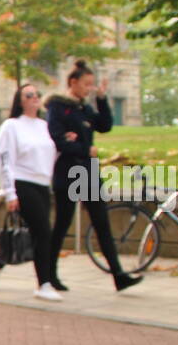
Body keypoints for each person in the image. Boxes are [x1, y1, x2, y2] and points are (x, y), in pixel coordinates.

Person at [45, 59, 142, 292]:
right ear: (73, 82)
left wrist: (101, 99)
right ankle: (49, 274)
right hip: (68, 172)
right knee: (62, 224)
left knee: (102, 224)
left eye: (92, 85)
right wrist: (83, 149)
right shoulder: (57, 107)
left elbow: (105, 125)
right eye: (87, 85)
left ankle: (118, 275)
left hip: (87, 173)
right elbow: (57, 140)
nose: (89, 88)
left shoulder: (84, 108)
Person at [0, 83, 59, 300]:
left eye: (37, 94)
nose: (34, 98)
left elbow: (50, 154)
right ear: (20, 101)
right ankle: (43, 284)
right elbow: (5, 159)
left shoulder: (43, 125)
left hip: (42, 184)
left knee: (37, 233)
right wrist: (10, 192)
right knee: (43, 232)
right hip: (22, 183)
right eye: (29, 95)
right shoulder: (11, 126)